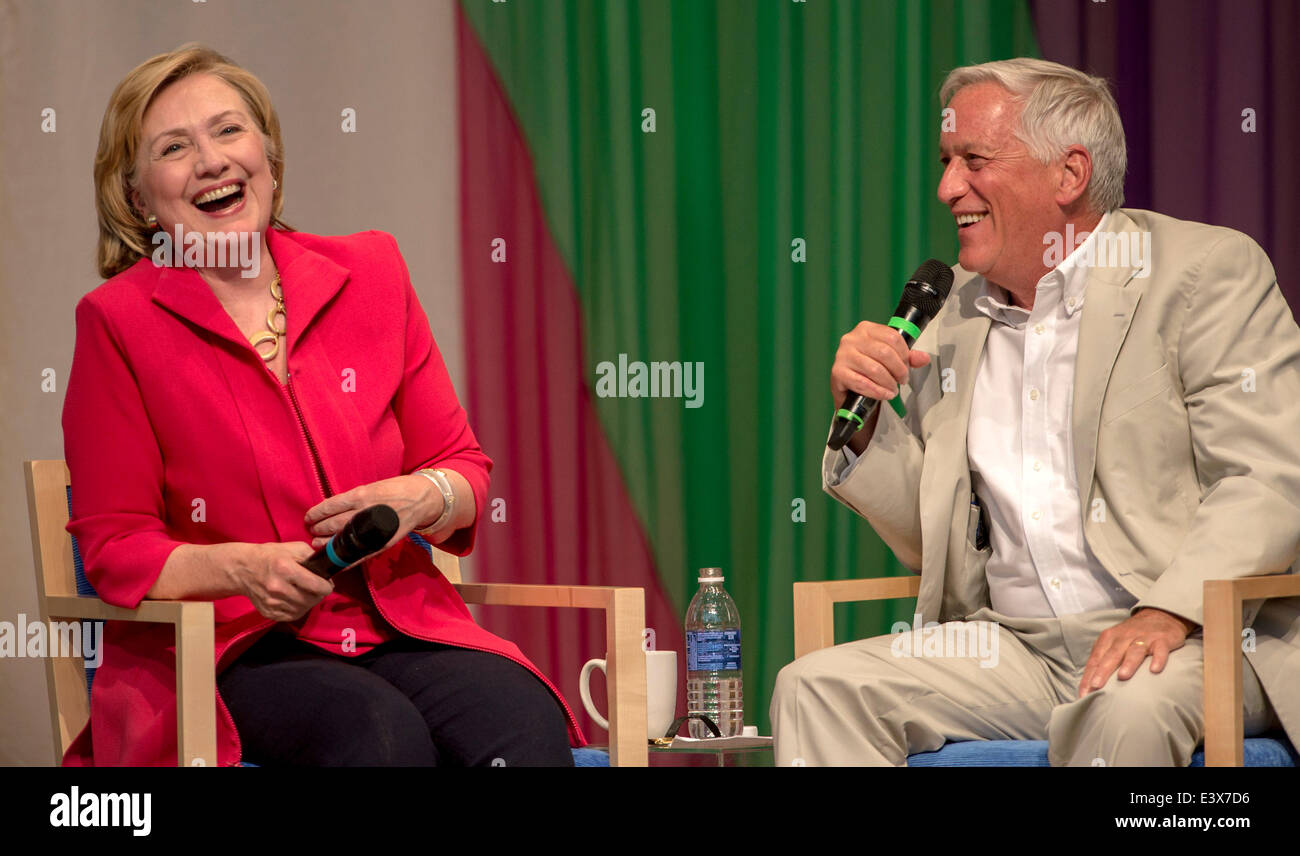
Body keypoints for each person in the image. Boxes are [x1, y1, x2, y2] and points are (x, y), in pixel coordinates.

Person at [771, 57, 1300, 766]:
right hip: (1013, 645)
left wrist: (1166, 609)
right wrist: (868, 428)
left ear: (1069, 174)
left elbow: (1269, 477)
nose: (946, 187)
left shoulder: (1203, 274)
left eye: (973, 161)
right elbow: (938, 539)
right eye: (945, 161)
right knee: (816, 687)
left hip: (1195, 637)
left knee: (1123, 710)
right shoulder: (949, 315)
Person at [63, 43, 582, 766]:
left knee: (521, 722)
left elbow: (463, 469)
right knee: (377, 732)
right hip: (228, 651)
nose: (211, 160)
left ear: (269, 158)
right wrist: (243, 569)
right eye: (175, 147)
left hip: (397, 624)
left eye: (229, 130)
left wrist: (418, 497)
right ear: (140, 197)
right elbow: (116, 547)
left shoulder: (370, 270)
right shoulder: (118, 322)